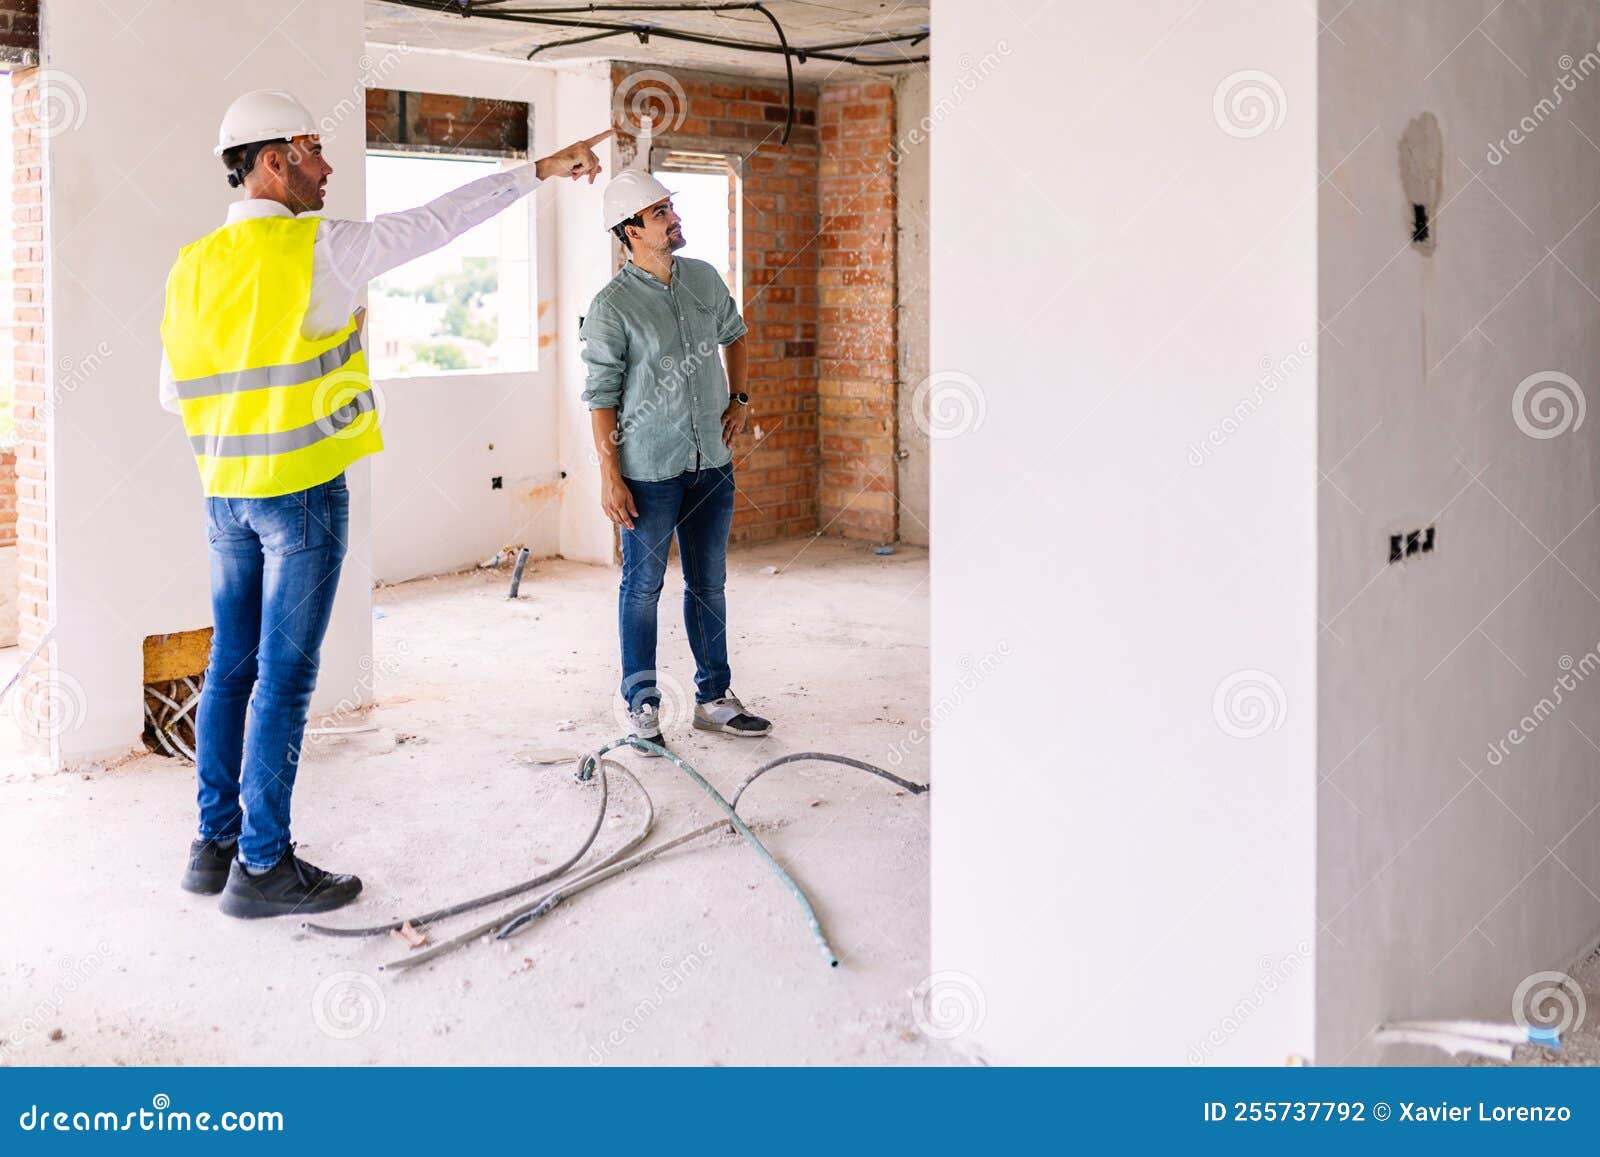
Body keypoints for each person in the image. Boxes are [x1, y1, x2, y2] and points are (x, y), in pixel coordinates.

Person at [159, 88, 609, 918]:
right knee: (285, 681)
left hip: (224, 499)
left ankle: (213, 844)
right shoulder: (315, 250)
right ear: (273, 162)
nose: (328, 167)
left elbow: (172, 393)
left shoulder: (191, 266)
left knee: (231, 668)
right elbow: (437, 221)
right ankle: (263, 867)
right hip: (298, 501)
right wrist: (540, 168)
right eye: (313, 150)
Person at [580, 169, 771, 754]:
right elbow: (601, 394)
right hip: (647, 470)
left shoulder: (705, 279)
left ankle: (715, 700)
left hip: (710, 460)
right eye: (660, 212)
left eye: (670, 208)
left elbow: (735, 334)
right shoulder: (612, 307)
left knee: (708, 583)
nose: (673, 218)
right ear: (631, 231)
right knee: (642, 588)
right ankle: (642, 708)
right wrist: (610, 476)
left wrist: (739, 399)